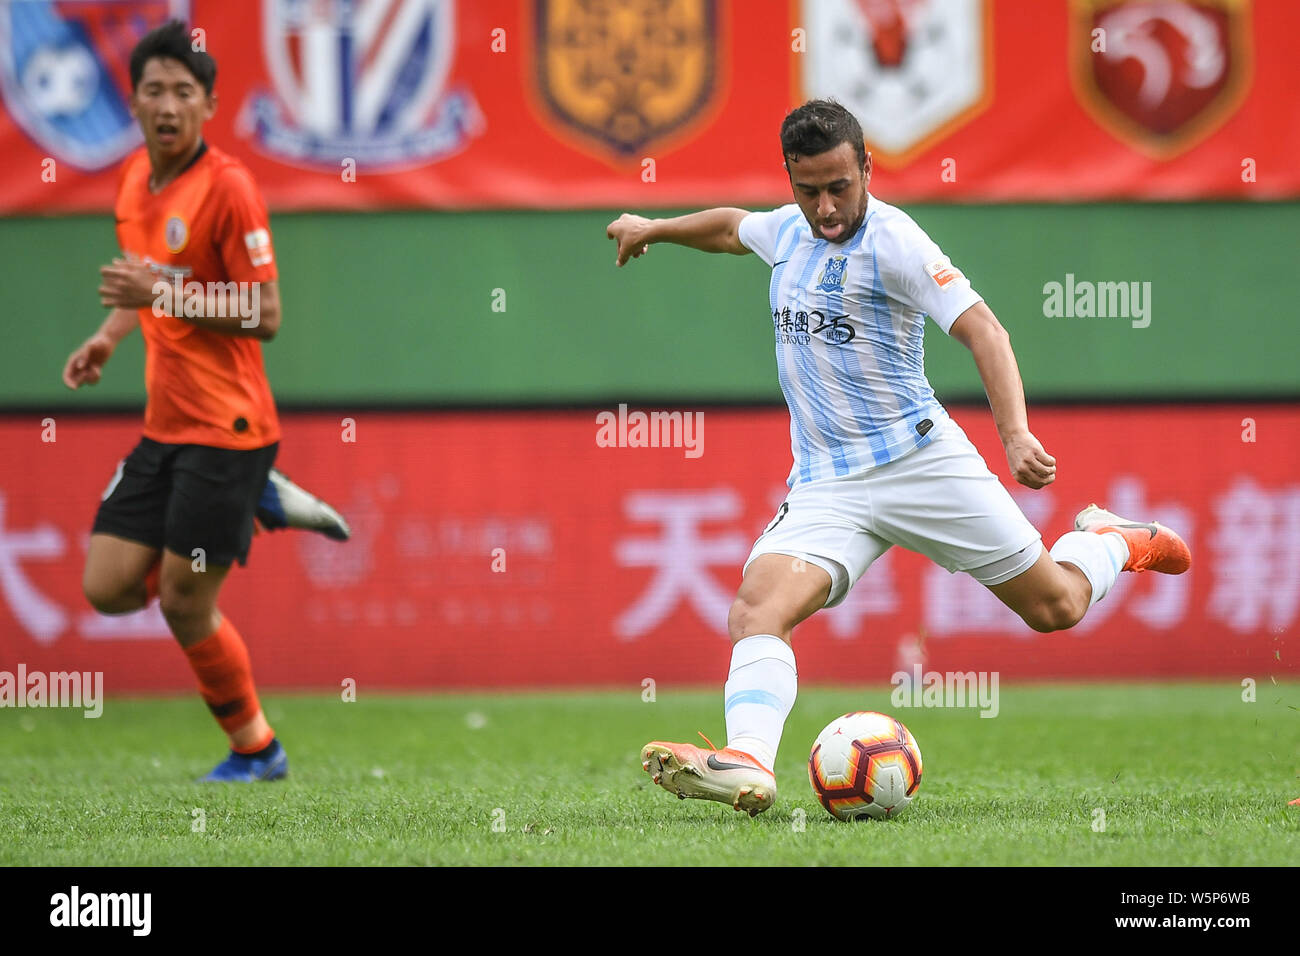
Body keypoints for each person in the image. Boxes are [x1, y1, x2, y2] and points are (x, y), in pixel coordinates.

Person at [606, 99, 1190, 817]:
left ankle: (1109, 539)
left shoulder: (896, 242)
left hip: (920, 463)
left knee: (1056, 606)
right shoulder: (787, 231)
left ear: (866, 169)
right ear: (789, 178)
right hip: (828, 483)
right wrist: (653, 228)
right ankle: (750, 760)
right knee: (757, 609)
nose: (824, 206)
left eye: (838, 187)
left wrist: (1013, 435)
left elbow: (985, 331)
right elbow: (731, 227)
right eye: (807, 188)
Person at [62, 19, 331, 782]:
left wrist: (164, 291)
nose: (169, 104)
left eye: (185, 91)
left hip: (230, 429)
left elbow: (266, 313)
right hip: (165, 429)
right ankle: (258, 504)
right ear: (135, 102)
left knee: (183, 601)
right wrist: (111, 335)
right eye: (154, 90)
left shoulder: (230, 187)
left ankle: (259, 749)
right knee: (108, 588)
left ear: (209, 105)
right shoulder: (130, 182)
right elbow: (145, 281)